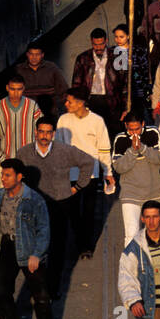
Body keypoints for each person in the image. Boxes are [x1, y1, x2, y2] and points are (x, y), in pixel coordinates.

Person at [17, 116, 94, 290]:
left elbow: (88, 162)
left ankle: (53, 287)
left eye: (48, 132)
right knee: (35, 246)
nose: (44, 136)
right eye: (41, 132)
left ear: (53, 134)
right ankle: (38, 286)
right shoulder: (24, 153)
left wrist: (77, 187)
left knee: (57, 246)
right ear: (35, 133)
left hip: (60, 204)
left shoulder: (65, 151)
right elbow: (17, 176)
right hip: (35, 204)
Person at [0, 159, 55, 319]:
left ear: (19, 177)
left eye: (8, 175)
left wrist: (37, 254)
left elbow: (44, 230)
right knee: (2, 293)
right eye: (2, 175)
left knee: (40, 295)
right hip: (7, 247)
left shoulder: (34, 200)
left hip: (29, 248)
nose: (3, 179)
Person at [56, 86, 115, 259]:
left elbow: (104, 148)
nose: (66, 104)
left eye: (70, 102)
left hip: (91, 174)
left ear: (81, 103)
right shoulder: (63, 121)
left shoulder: (97, 121)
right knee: (73, 212)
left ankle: (86, 247)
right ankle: (79, 243)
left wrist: (108, 171)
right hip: (70, 174)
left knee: (89, 212)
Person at [111, 113, 160, 243]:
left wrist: (143, 149)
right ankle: (131, 257)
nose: (134, 133)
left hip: (155, 192)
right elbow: (118, 167)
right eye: (130, 129)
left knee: (157, 233)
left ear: (143, 124)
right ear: (126, 126)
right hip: (130, 192)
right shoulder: (120, 139)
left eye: (137, 129)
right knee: (131, 234)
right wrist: (132, 151)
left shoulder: (153, 133)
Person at [0, 77, 41, 177]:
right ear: (7, 88)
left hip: (28, 163)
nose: (16, 93)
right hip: (5, 162)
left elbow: (41, 131)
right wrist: (0, 158)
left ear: (24, 88)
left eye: (19, 89)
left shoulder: (33, 106)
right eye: (12, 89)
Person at [71, 28, 126, 124]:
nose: (98, 47)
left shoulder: (117, 57)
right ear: (91, 42)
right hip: (91, 100)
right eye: (95, 45)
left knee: (112, 130)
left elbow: (125, 83)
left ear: (106, 41)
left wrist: (126, 107)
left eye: (101, 44)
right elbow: (76, 84)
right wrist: (77, 104)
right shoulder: (83, 58)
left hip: (112, 102)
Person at [14, 44, 68, 116]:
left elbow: (63, 90)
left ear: (42, 55)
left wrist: (56, 106)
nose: (34, 57)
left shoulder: (51, 68)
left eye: (37, 54)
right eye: (31, 54)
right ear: (27, 54)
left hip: (50, 112)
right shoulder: (19, 70)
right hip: (26, 111)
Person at [113, 24, 153, 117]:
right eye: (116, 37)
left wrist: (146, 88)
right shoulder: (113, 52)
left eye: (121, 37)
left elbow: (144, 72)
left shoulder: (138, 51)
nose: (118, 40)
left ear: (128, 36)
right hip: (119, 93)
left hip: (137, 91)